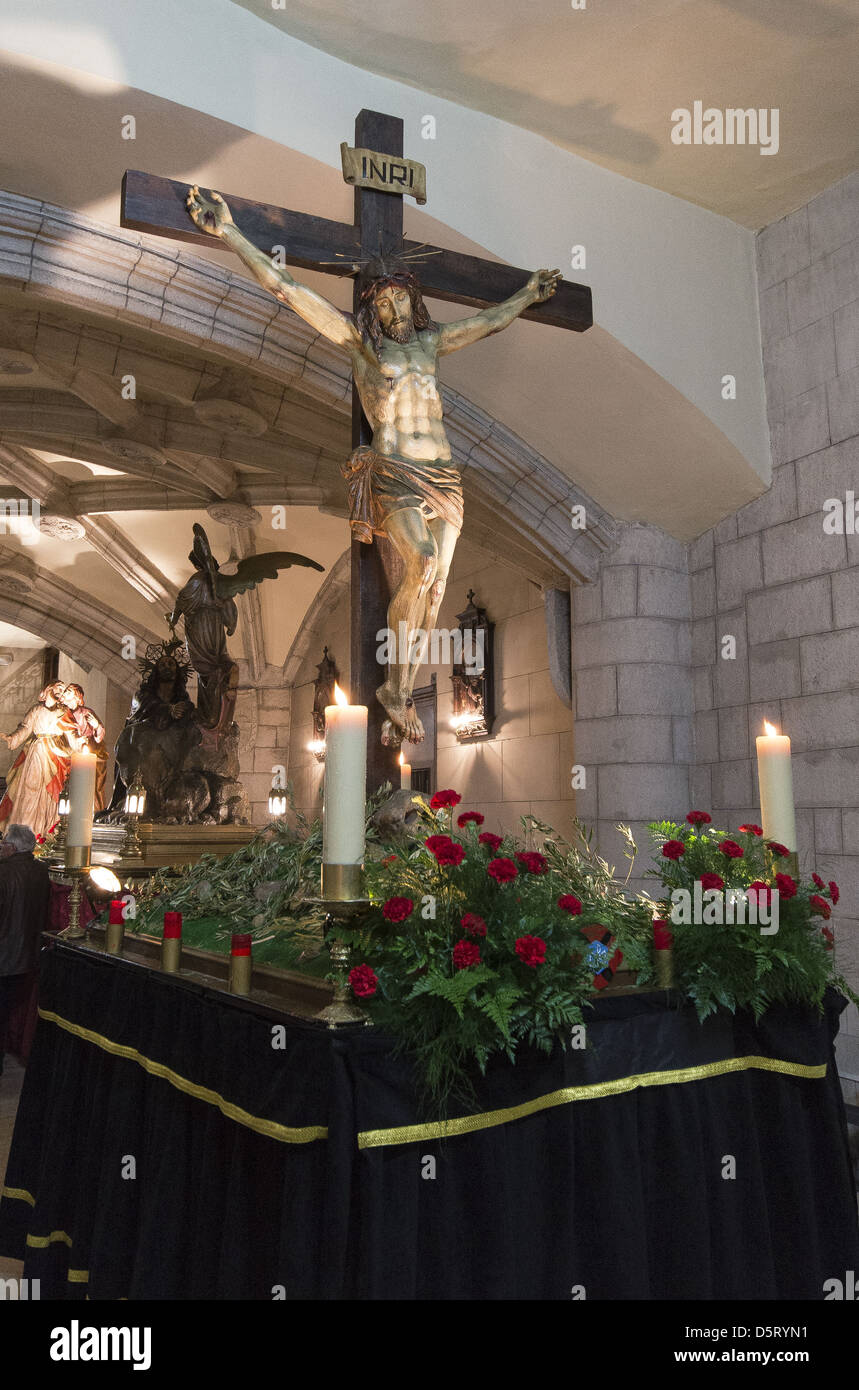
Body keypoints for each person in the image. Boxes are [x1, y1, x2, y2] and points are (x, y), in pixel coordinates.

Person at [0, 824, 51, 1075]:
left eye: (2, 844)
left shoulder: (3, 872)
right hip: (28, 957)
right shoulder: (42, 871)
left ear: (12, 847)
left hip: (3, 957)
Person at [0, 682, 72, 839]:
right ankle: (26, 828)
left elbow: (71, 732)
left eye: (62, 690)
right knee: (30, 788)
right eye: (57, 688)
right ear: (47, 690)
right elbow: (25, 728)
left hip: (55, 754)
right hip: (37, 751)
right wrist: (12, 739)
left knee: (50, 794)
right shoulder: (37, 710)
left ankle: (44, 830)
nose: (60, 692)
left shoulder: (63, 712)